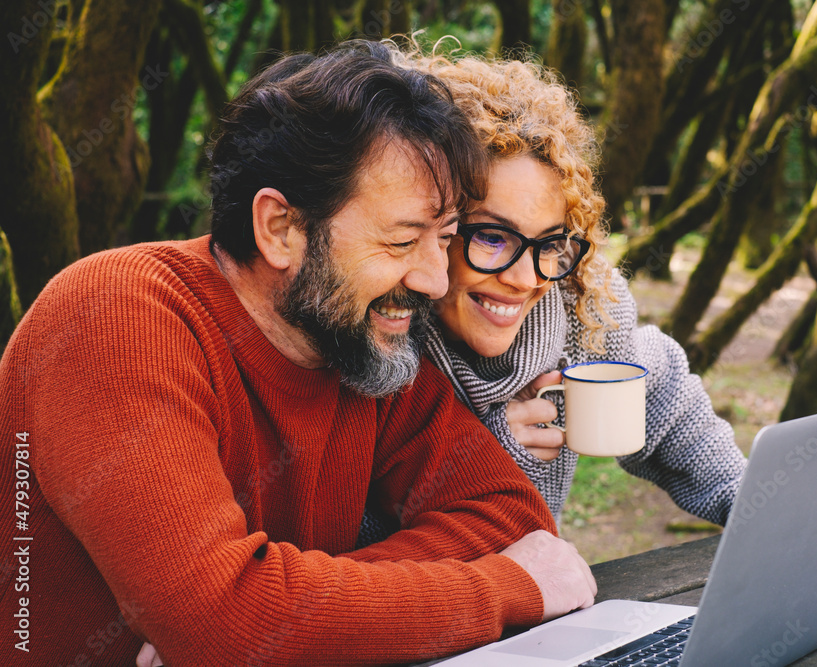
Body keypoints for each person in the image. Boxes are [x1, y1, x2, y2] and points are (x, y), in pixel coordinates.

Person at [0, 42, 596, 667]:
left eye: (443, 239)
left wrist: (287, 612)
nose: (434, 280)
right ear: (280, 228)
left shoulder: (365, 342)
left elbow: (506, 514)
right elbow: (229, 624)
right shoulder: (114, 318)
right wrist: (510, 586)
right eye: (401, 241)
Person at [388, 51, 748, 529]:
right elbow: (348, 543)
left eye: (550, 243)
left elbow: (663, 398)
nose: (526, 279)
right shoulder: (384, 336)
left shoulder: (581, 303)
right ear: (437, 228)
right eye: (493, 237)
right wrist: (482, 461)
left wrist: (756, 505)